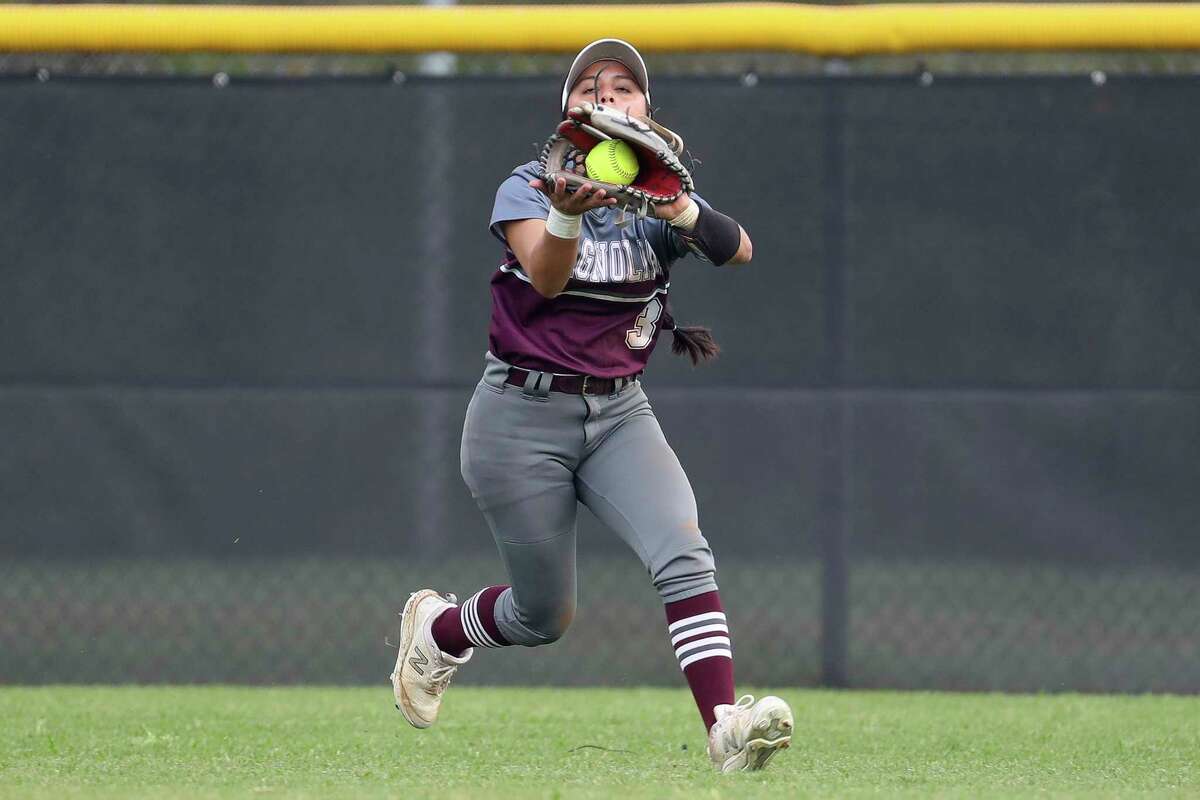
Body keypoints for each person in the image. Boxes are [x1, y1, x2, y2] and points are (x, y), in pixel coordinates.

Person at [390, 38, 793, 773]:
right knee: (545, 617)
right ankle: (441, 630)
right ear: (567, 112)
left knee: (683, 551)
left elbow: (739, 249)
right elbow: (544, 278)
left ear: (646, 112)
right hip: (519, 419)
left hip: (619, 414)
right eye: (591, 88)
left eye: (624, 89)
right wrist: (570, 215)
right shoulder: (526, 185)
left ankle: (725, 727)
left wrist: (679, 205)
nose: (608, 99)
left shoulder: (656, 199)